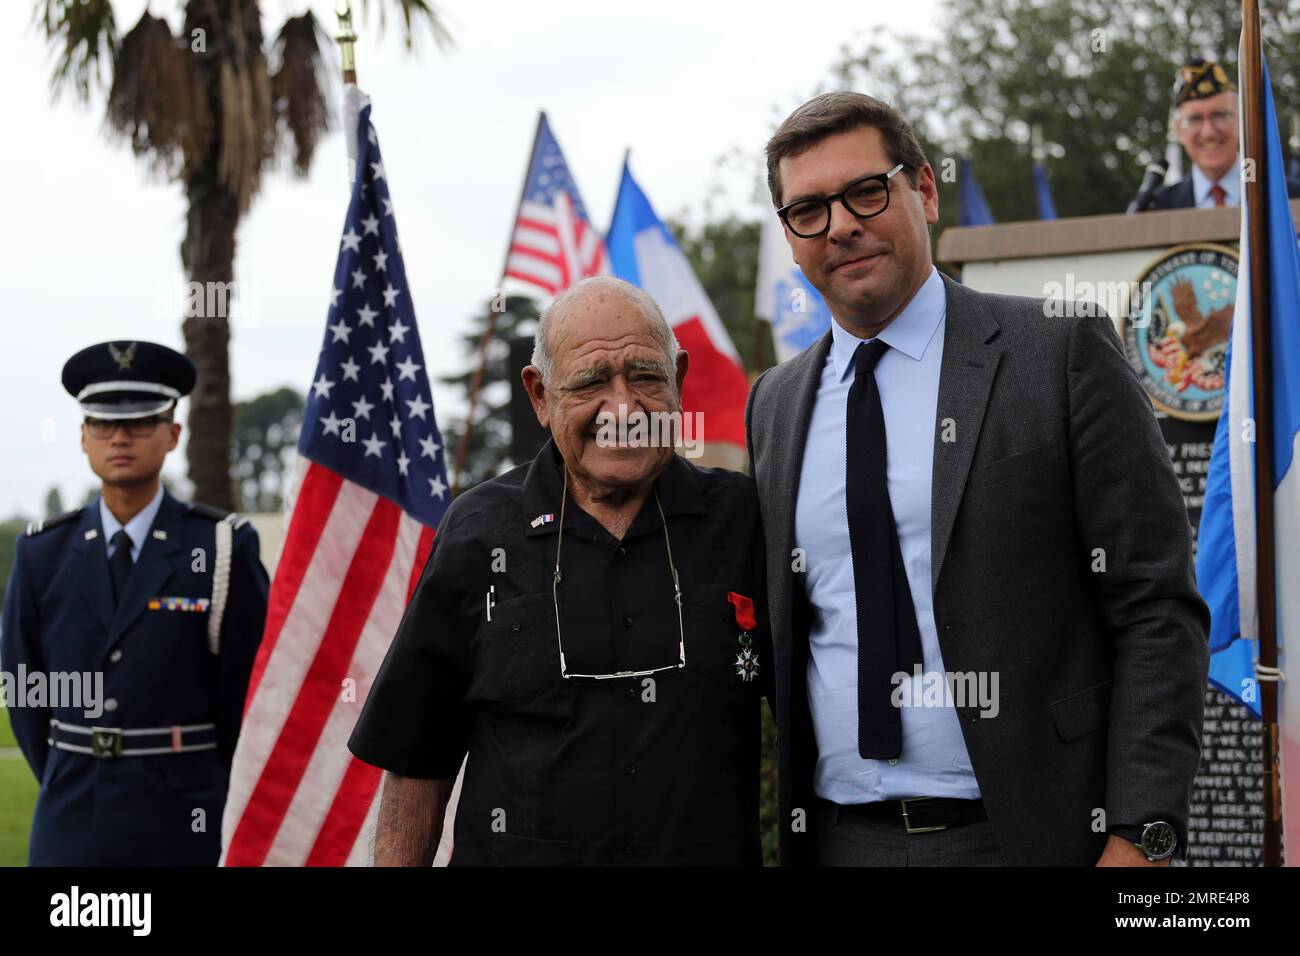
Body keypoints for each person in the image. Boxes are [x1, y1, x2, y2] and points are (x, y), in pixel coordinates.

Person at [747, 92, 1210, 866]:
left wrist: (1141, 839)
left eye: (866, 191)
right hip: (836, 840)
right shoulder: (775, 403)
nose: (841, 225)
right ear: (791, 235)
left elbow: (1157, 607)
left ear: (923, 190)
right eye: (808, 210)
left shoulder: (1056, 354)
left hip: (1037, 838)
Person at [348, 276, 770, 866]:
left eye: (646, 377)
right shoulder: (477, 533)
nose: (623, 409)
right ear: (541, 396)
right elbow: (418, 761)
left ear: (680, 378)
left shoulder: (746, 521)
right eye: (592, 382)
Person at [1, 340, 269, 865]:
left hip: (186, 819)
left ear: (173, 434)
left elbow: (247, 699)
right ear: (83, 437)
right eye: (102, 422)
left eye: (142, 421)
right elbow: (25, 690)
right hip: (71, 817)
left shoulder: (221, 546)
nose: (120, 436)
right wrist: (70, 765)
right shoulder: (42, 552)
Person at [1141, 57, 1300, 210]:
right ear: (1179, 131)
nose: (1209, 133)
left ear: (1242, 120)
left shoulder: (1290, 197)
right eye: (1195, 119)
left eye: (1220, 115)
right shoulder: (1156, 208)